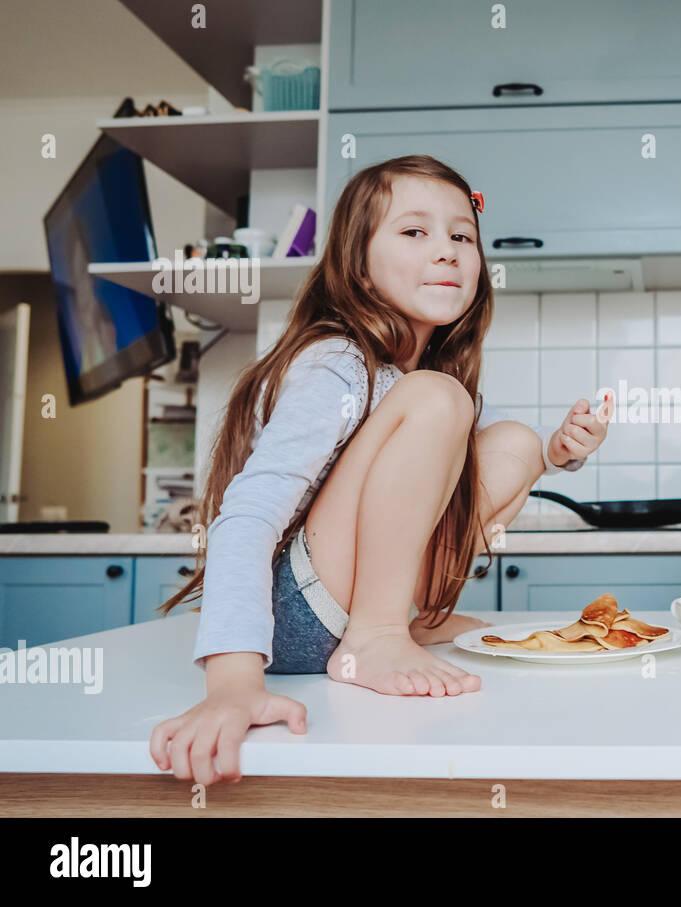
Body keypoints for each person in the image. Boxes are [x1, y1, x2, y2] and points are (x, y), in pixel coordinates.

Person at [150, 155, 610, 784]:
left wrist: (558, 454)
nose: (446, 251)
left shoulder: (435, 383)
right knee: (439, 399)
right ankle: (377, 633)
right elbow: (250, 511)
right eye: (414, 232)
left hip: (335, 605)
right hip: (294, 615)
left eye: (461, 236)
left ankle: (398, 621)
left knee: (516, 441)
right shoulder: (337, 361)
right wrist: (232, 683)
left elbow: (477, 471)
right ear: (356, 263)